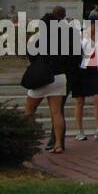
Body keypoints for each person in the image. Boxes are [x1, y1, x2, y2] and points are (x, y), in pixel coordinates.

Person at [23, 9, 75, 154]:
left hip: (41, 76)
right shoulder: (63, 37)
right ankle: (58, 144)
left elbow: (31, 57)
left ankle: (27, 140)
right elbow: (71, 57)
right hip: (59, 77)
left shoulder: (36, 38)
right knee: (57, 113)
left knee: (29, 111)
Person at [70, 11, 98, 141]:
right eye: (93, 24)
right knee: (80, 101)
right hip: (80, 71)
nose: (95, 27)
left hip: (94, 71)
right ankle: (80, 130)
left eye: (97, 24)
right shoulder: (80, 37)